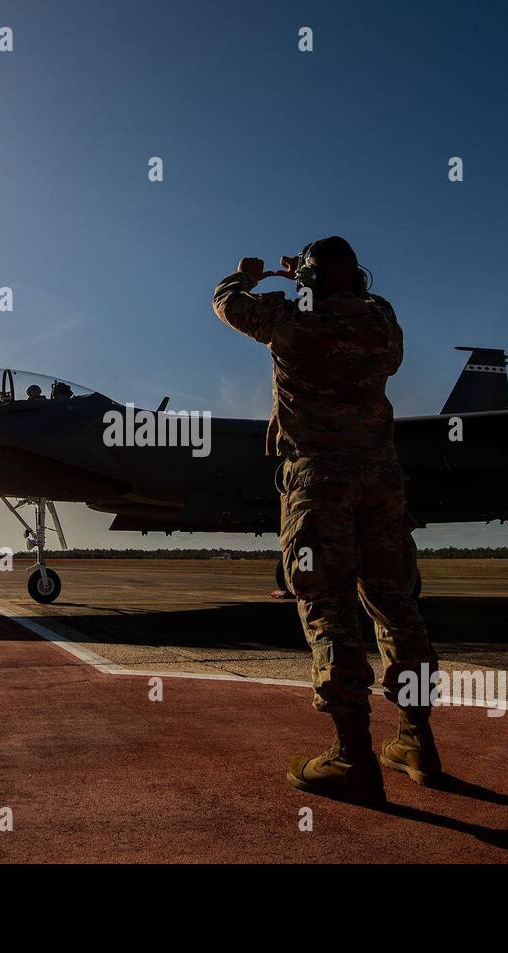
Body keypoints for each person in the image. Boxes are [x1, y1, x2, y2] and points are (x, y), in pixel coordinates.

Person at [212, 236, 440, 804]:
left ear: (307, 282)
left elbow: (227, 303)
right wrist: (317, 280)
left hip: (318, 483)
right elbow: (367, 305)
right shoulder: (381, 325)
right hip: (382, 483)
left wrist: (249, 275)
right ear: (358, 279)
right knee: (398, 609)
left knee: (329, 609)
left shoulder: (287, 319)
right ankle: (417, 740)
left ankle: (352, 757)